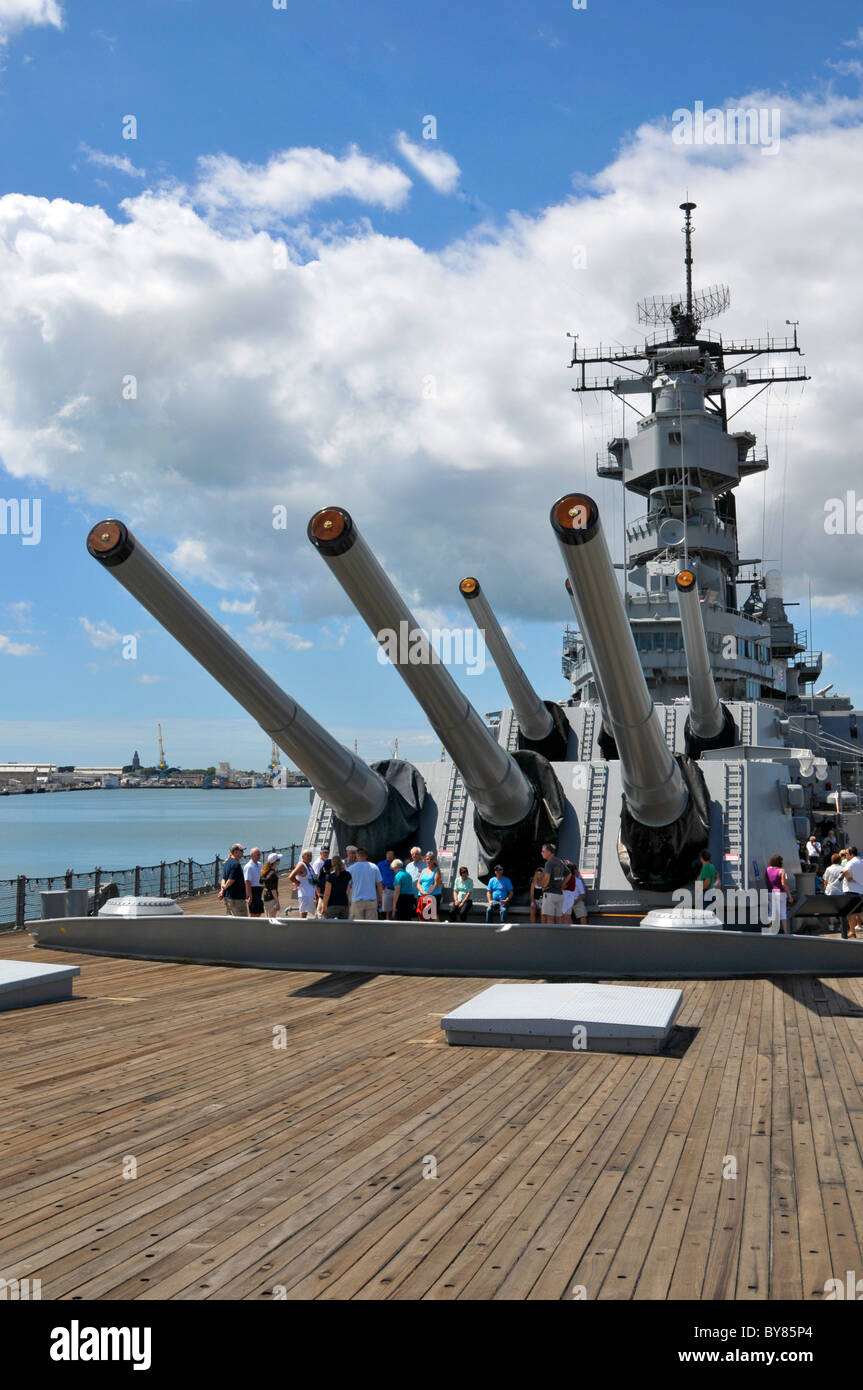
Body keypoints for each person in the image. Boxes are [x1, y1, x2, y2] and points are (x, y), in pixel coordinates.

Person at [347, 847, 382, 920]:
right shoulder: (374, 867)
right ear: (366, 856)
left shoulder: (351, 869)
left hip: (357, 901)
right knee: (371, 926)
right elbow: (379, 885)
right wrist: (381, 899)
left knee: (357, 926)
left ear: (357, 855)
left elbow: (348, 886)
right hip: (371, 901)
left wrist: (347, 899)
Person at [765, 854, 793, 934]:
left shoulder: (767, 869)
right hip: (780, 893)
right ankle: (785, 931)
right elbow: (783, 884)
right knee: (783, 912)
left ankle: (770, 930)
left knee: (771, 912)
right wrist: (789, 895)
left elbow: (767, 881)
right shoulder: (781, 870)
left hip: (770, 893)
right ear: (779, 862)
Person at [540, 842, 567, 925]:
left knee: (549, 917)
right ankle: (558, 937)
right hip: (560, 894)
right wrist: (562, 885)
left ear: (549, 852)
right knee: (558, 918)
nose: (541, 853)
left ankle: (549, 937)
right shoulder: (560, 862)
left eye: (543, 851)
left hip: (550, 893)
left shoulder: (549, 863)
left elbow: (547, 878)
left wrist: (543, 887)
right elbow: (569, 875)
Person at [219, 842, 248, 917]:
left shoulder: (227, 862)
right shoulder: (236, 864)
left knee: (232, 921)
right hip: (237, 899)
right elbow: (231, 880)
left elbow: (223, 879)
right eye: (241, 851)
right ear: (235, 852)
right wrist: (224, 888)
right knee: (243, 922)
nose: (243, 853)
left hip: (228, 898)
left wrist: (222, 891)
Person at [823, 851, 847, 935]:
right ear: (840, 860)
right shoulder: (843, 869)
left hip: (830, 891)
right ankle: (841, 926)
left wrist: (826, 888)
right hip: (841, 891)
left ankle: (831, 926)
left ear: (832, 860)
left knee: (831, 909)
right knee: (841, 909)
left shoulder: (828, 869)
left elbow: (825, 881)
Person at [321, 855, 351, 919]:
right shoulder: (348, 875)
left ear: (332, 864)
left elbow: (327, 893)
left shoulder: (331, 877)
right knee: (343, 926)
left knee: (327, 925)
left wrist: (323, 907)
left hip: (332, 905)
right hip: (344, 904)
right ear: (341, 863)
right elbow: (348, 891)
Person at [842, 846, 863, 936]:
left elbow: (844, 870)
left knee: (851, 912)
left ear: (851, 854)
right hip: (861, 890)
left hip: (851, 890)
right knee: (859, 911)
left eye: (846, 853)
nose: (845, 855)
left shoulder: (851, 861)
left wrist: (848, 877)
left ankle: (852, 931)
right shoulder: (861, 861)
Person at [289, 850, 316, 918]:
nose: (310, 857)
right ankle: (300, 927)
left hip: (310, 893)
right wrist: (297, 882)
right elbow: (291, 876)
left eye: (311, 856)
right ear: (303, 857)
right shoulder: (301, 865)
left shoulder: (308, 865)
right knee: (303, 913)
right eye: (308, 856)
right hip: (304, 894)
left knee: (309, 913)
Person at [417, 852, 443, 921]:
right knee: (421, 914)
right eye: (427, 859)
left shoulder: (436, 870)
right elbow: (419, 883)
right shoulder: (423, 870)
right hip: (422, 895)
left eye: (431, 859)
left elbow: (436, 884)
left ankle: (437, 930)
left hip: (434, 895)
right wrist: (422, 891)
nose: (429, 861)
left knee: (433, 915)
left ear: (434, 860)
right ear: (425, 860)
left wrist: (428, 893)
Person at [260, 852, 282, 918]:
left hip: (265, 897)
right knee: (272, 918)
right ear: (275, 862)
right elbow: (273, 890)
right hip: (271, 898)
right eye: (278, 860)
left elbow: (261, 882)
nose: (279, 861)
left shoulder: (265, 871)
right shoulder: (273, 874)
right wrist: (277, 902)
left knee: (267, 918)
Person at [244, 847, 264, 918]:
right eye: (257, 854)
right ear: (251, 856)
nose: (259, 856)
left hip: (259, 889)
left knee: (259, 911)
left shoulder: (260, 864)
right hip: (253, 890)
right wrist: (250, 896)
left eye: (259, 854)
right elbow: (247, 882)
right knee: (253, 912)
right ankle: (250, 927)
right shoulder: (248, 866)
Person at [377, 849, 397, 919]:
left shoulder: (398, 864)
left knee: (396, 910)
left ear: (394, 857)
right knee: (388, 911)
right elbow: (376, 876)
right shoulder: (380, 864)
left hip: (397, 890)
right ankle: (389, 925)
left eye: (391, 856)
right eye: (388, 855)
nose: (389, 857)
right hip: (386, 890)